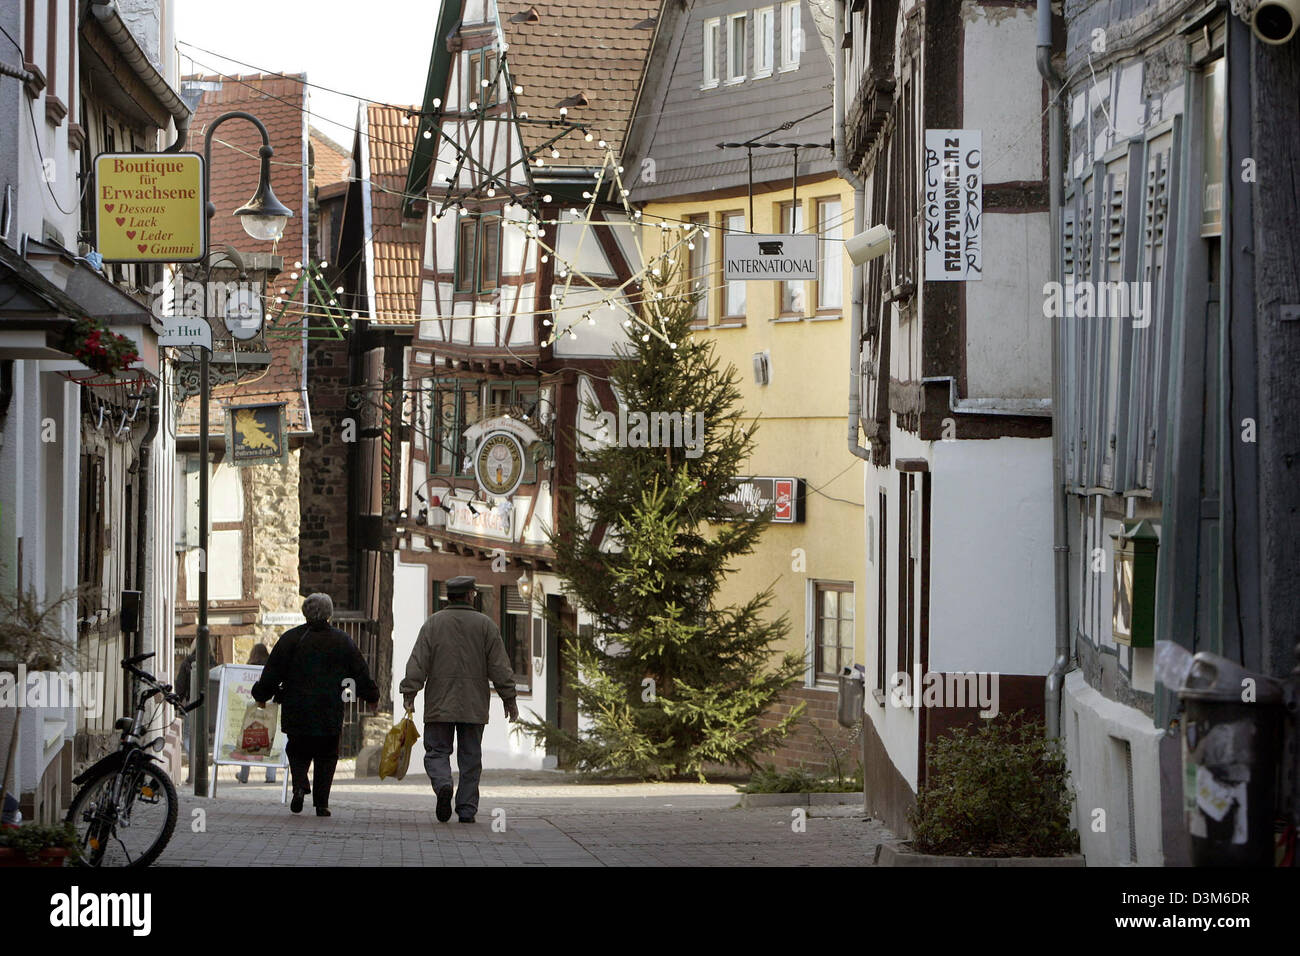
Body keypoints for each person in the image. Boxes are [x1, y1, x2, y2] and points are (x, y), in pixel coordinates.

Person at [400, 575, 518, 824]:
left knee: (436, 752)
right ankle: (466, 810)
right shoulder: (485, 625)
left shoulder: (433, 624)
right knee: (471, 758)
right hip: (473, 705)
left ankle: (443, 784)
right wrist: (509, 698)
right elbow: (499, 666)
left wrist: (410, 692)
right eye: (473, 594)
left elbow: (418, 662)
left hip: (439, 704)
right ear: (469, 595)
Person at [251, 593, 378, 817]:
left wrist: (261, 694)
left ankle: (299, 786)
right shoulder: (342, 640)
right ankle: (322, 803)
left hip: (296, 707)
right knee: (327, 755)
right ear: (329, 613)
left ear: (305, 612)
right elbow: (359, 671)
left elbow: (272, 671)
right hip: (329, 708)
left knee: (297, 749)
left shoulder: (291, 639)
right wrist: (370, 696)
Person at [237, 644, 278, 785]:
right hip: (269, 710)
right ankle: (271, 775)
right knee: (270, 739)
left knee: (248, 740)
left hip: (252, 710)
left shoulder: (249, 667)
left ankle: (244, 775)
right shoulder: (271, 668)